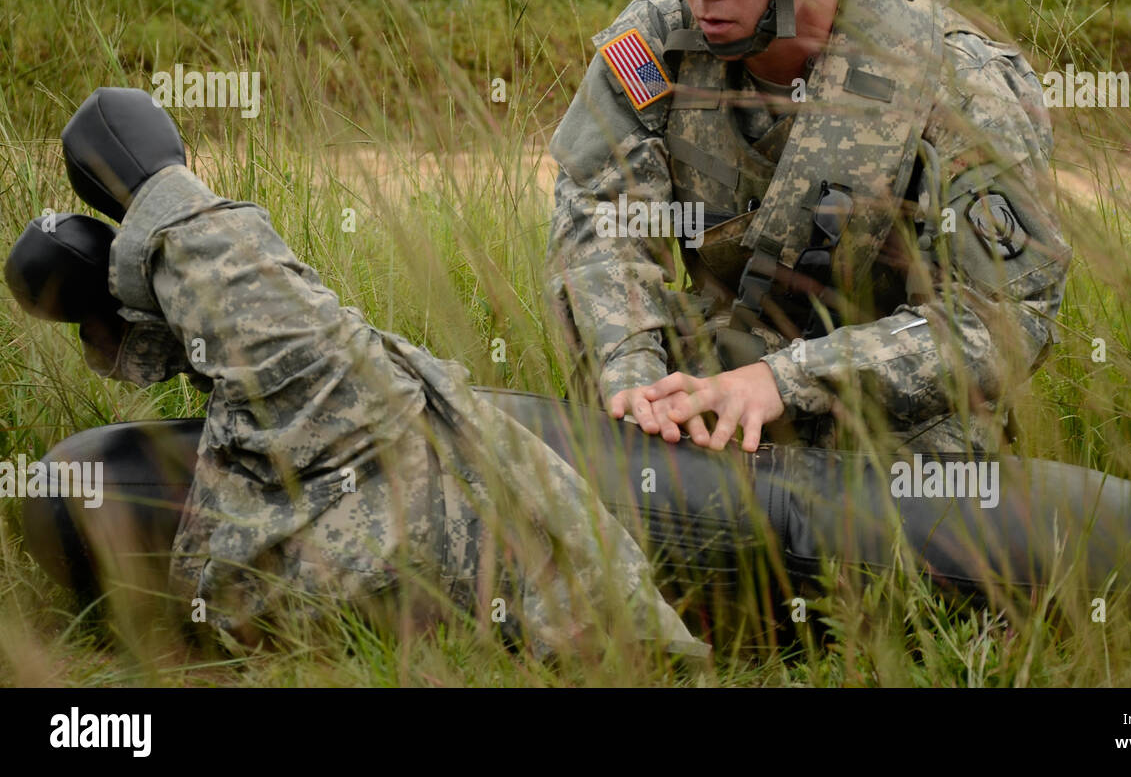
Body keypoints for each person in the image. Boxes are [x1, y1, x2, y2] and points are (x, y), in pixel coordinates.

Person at [6, 87, 706, 662]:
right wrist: (156, 190)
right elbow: (113, 131)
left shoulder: (249, 594)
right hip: (686, 535)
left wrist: (112, 306)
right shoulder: (337, 427)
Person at [545, 0, 1071, 456]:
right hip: (708, 394)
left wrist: (788, 381)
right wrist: (630, 374)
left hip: (888, 422)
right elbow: (598, 225)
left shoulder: (959, 85)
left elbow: (1005, 317)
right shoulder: (655, 46)